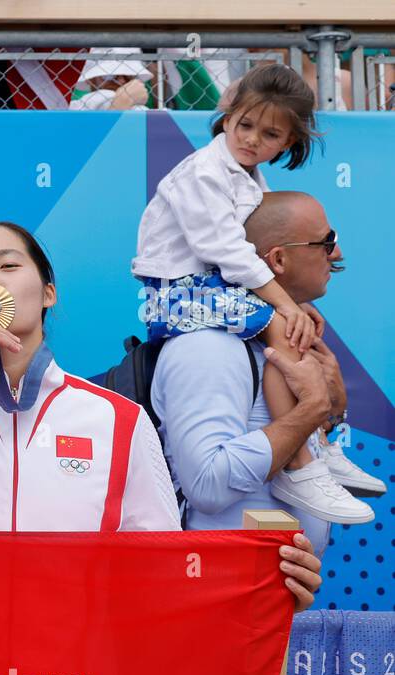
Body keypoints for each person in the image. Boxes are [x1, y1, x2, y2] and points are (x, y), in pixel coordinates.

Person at [0, 220, 323, 609]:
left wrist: (261, 596)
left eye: (8, 264)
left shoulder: (118, 420)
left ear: (48, 294)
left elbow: (161, 575)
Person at [131, 62, 371, 525]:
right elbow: (227, 251)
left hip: (216, 288)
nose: (252, 139)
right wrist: (284, 303)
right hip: (181, 293)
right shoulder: (204, 172)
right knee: (286, 328)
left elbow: (252, 248)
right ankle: (300, 465)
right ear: (227, 114)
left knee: (294, 333)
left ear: (289, 143)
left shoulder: (248, 176)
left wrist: (296, 301)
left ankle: (315, 448)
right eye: (244, 125)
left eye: (270, 135)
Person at [153, 191, 385, 556]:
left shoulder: (272, 338)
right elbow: (207, 483)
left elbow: (288, 439)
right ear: (278, 259)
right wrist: (311, 410)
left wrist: (332, 413)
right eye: (327, 242)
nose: (336, 253)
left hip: (267, 597)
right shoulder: (209, 348)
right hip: (216, 595)